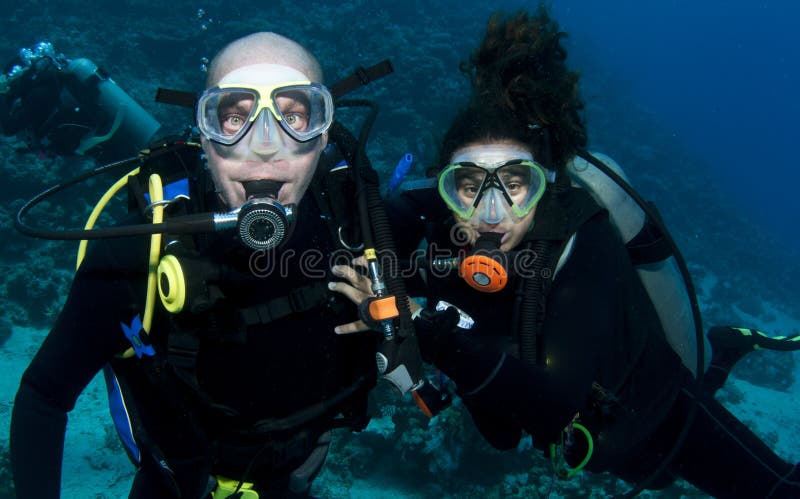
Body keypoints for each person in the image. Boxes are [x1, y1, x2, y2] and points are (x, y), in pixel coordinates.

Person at [331, 7, 800, 498]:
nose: (492, 213)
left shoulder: (585, 236)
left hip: (661, 414)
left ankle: (722, 352)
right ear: (444, 187)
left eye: (516, 183)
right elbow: (502, 433)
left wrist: (425, 330)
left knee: (774, 489)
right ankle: (722, 353)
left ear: (544, 186)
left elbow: (557, 403)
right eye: (468, 186)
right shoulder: (450, 220)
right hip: (590, 453)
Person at [10, 32, 418, 498]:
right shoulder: (137, 255)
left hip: (294, 478)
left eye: (293, 116)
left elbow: (470, 224)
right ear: (205, 138)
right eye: (234, 117)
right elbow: (44, 396)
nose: (265, 146)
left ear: (323, 135)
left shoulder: (362, 230)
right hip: (175, 484)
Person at [0, 41, 161, 162]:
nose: (11, 88)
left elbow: (9, 127)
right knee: (143, 166)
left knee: (142, 170)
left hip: (107, 142)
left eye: (11, 82)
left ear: (23, 77)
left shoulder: (39, 94)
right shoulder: (52, 84)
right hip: (103, 139)